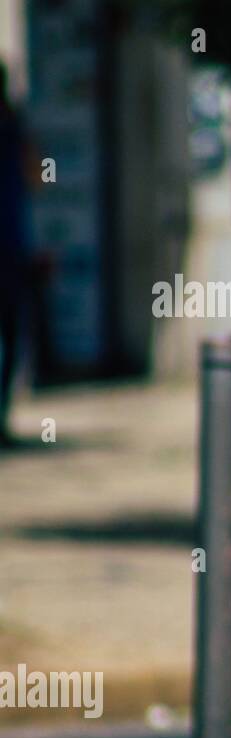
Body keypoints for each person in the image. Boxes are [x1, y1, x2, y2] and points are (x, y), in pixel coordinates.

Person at [0, 60, 36, 447]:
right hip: (10, 244)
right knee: (11, 334)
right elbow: (37, 177)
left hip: (11, 245)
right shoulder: (13, 127)